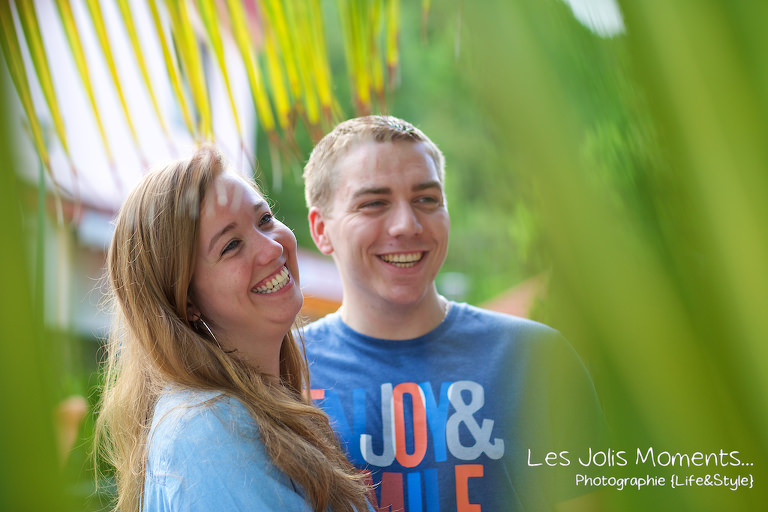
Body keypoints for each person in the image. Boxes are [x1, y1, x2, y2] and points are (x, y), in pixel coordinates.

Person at [302, 116, 605, 511]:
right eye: (374, 203)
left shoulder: (538, 358)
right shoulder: (284, 371)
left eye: (426, 200)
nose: (406, 224)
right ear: (321, 229)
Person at [95, 146, 373, 512]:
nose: (272, 249)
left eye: (264, 220)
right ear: (185, 301)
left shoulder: (242, 411)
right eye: (231, 245)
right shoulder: (207, 430)